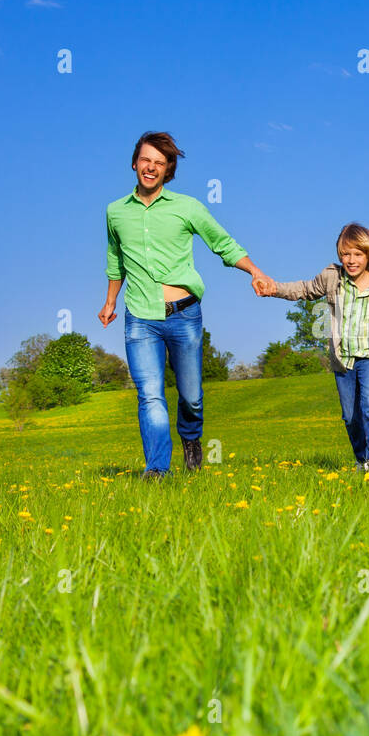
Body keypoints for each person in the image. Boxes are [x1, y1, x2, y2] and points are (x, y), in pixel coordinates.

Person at [98, 131, 272, 479]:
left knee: (190, 397)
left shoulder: (187, 207)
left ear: (168, 170)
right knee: (150, 396)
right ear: (135, 163)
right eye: (146, 160)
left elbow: (222, 243)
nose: (151, 167)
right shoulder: (115, 212)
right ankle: (157, 468)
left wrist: (253, 270)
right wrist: (109, 301)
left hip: (184, 315)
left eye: (159, 163)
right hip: (139, 318)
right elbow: (115, 260)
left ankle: (191, 440)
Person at [258, 223, 369, 472]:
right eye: (345, 254)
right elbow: (304, 289)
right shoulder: (333, 278)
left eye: (357, 254)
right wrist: (274, 288)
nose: (351, 260)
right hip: (343, 356)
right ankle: (362, 459)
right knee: (350, 415)